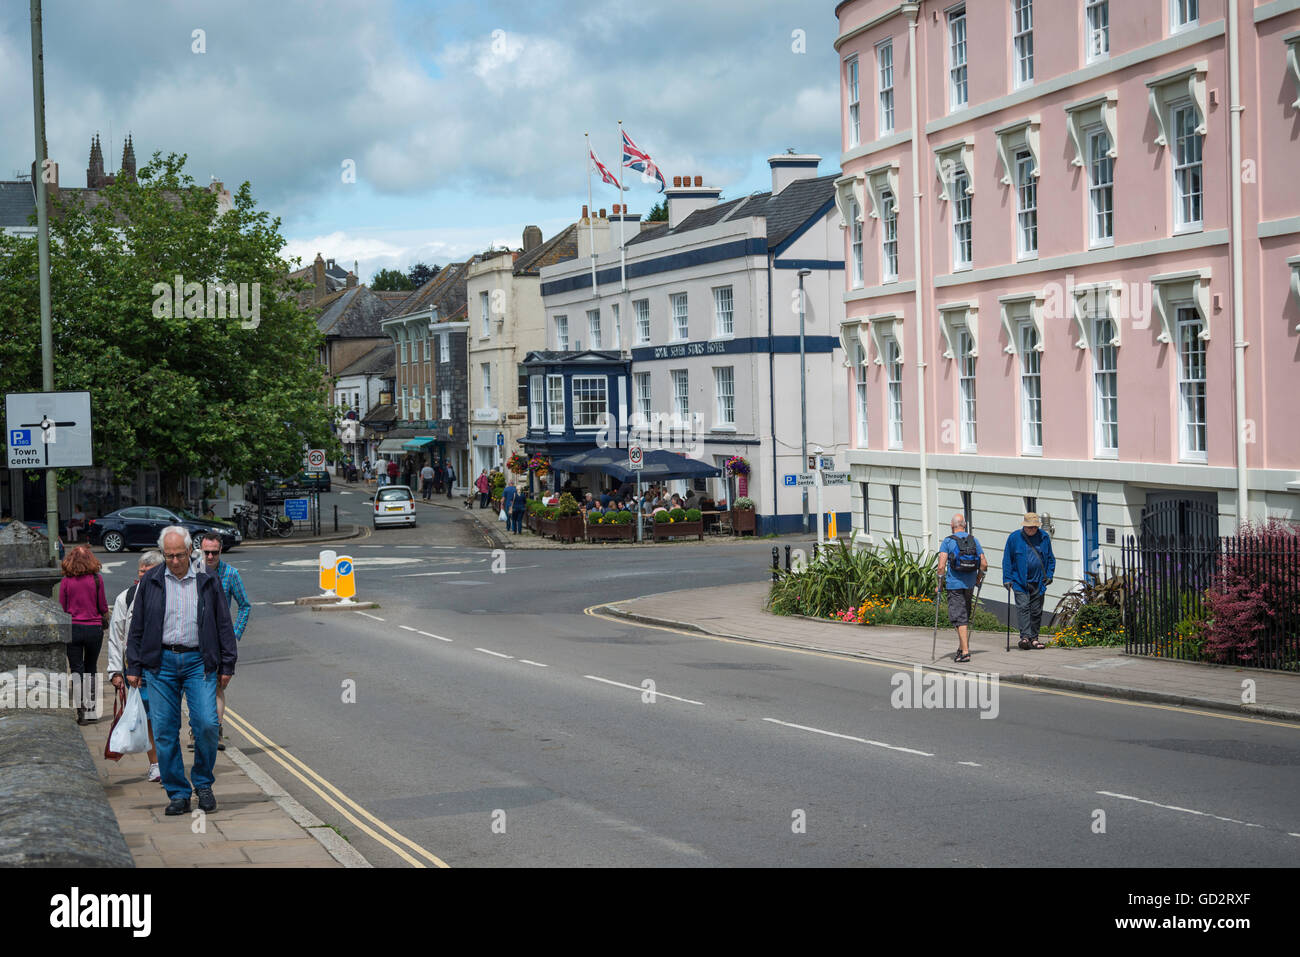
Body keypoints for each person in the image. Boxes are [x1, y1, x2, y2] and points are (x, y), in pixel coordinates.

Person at [125, 526, 237, 816]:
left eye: (179, 555)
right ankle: (178, 793)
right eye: (169, 555)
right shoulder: (150, 580)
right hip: (160, 663)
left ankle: (203, 783)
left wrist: (227, 663)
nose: (174, 561)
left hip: (198, 661)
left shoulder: (207, 579)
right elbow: (137, 626)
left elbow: (223, 622)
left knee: (207, 725)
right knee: (164, 731)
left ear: (190, 551)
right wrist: (133, 666)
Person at [107, 550, 163, 782]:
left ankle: (168, 759)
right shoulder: (125, 598)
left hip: (166, 666)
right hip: (138, 670)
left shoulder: (171, 595)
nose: (144, 577)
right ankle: (156, 764)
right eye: (141, 572)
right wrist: (115, 670)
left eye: (149, 573)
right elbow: (115, 635)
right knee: (148, 716)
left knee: (166, 717)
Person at [200, 533, 250, 752]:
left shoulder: (231, 574)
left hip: (221, 640)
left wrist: (234, 632)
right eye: (206, 552)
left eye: (214, 552)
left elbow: (245, 605)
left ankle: (217, 733)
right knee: (197, 684)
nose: (210, 556)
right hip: (197, 638)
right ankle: (197, 729)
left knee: (219, 686)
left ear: (221, 551)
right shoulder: (193, 572)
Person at [58, 545, 108, 725]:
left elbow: (62, 608)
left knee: (77, 670)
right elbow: (103, 606)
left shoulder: (66, 581)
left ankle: (81, 711)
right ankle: (92, 710)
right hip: (94, 629)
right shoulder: (97, 579)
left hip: (73, 629)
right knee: (91, 668)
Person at [936, 514, 987, 663]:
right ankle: (961, 647)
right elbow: (984, 564)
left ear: (952, 526)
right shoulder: (974, 540)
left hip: (954, 585)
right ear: (964, 525)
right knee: (963, 616)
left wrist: (939, 586)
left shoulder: (947, 541)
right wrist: (977, 579)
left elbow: (940, 567)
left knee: (959, 618)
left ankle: (965, 652)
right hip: (970, 584)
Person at [1003, 512, 1056, 650]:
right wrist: (1007, 579)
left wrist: (1049, 575)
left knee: (1036, 610)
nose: (1032, 529)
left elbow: (1050, 558)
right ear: (1024, 526)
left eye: (1034, 527)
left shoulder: (1044, 537)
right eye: (1029, 527)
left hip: (1039, 581)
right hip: (1020, 581)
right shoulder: (1014, 538)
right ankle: (1025, 637)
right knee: (1023, 608)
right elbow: (1007, 560)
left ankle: (1034, 638)